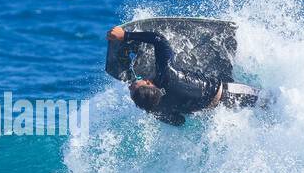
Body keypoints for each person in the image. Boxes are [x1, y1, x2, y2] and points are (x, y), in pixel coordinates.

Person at [108, 25, 266, 126]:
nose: (130, 85)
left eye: (131, 88)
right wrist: (126, 35)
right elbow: (159, 39)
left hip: (218, 114)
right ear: (150, 84)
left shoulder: (155, 110)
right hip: (230, 93)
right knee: (270, 101)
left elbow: (179, 121)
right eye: (136, 85)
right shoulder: (167, 74)